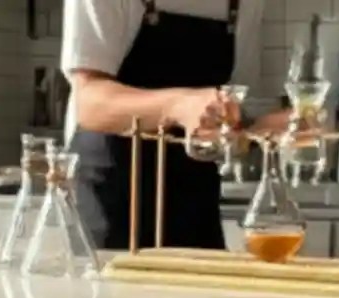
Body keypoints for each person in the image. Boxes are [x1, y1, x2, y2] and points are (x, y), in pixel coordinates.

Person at [62, 0, 287, 251]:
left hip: (194, 198)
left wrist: (259, 130)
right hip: (112, 197)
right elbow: (89, 103)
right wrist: (178, 106)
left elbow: (230, 114)